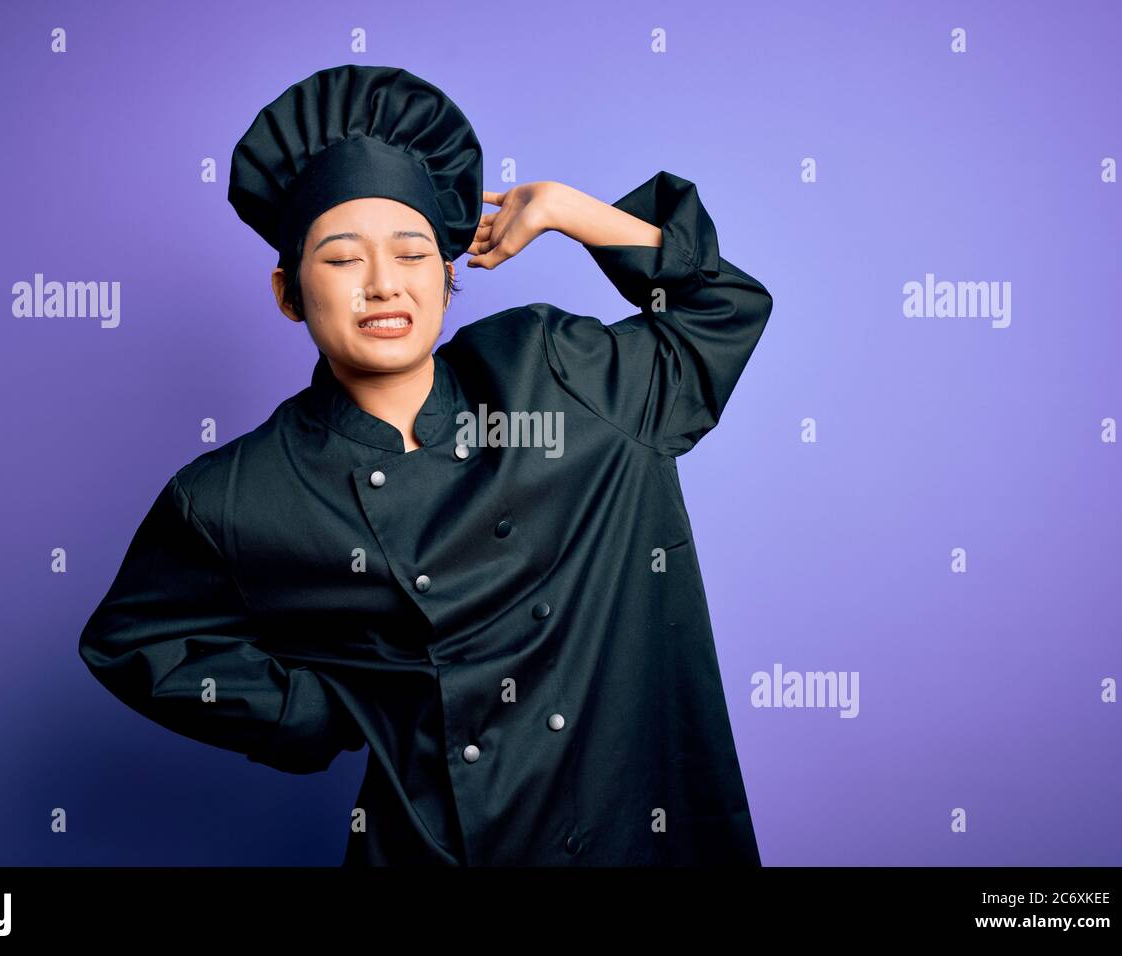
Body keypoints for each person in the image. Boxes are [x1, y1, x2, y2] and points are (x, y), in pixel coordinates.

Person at [78, 63, 774, 866]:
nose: (383, 286)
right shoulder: (243, 490)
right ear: (286, 291)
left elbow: (723, 309)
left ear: (447, 279)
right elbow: (132, 642)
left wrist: (571, 213)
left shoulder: (556, 373)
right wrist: (323, 711)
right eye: (342, 260)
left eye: (412, 255)